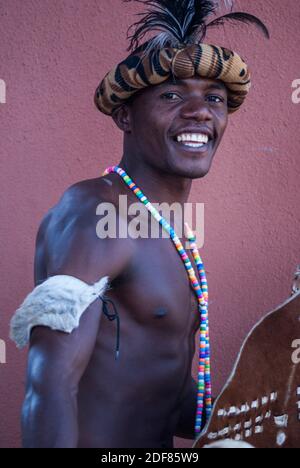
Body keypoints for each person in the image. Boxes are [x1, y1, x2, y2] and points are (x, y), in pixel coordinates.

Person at [10, 1, 269, 448]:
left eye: (214, 98)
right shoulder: (95, 209)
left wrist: (270, 402)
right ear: (124, 116)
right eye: (171, 95)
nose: (199, 112)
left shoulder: (166, 225)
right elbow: (49, 388)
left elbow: (158, 393)